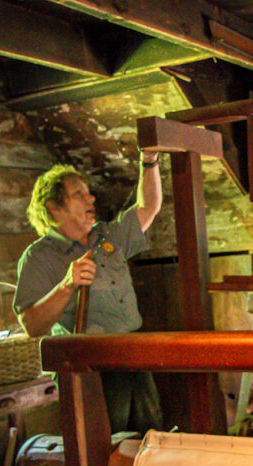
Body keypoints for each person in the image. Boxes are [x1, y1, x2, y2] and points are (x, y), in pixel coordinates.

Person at [13, 156, 164, 436]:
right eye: (78, 194)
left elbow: (149, 207)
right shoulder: (40, 257)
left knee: (150, 444)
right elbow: (32, 324)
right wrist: (67, 285)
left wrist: (149, 161)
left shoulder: (105, 237)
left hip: (135, 355)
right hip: (91, 368)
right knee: (103, 450)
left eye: (88, 192)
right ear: (54, 208)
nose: (90, 198)